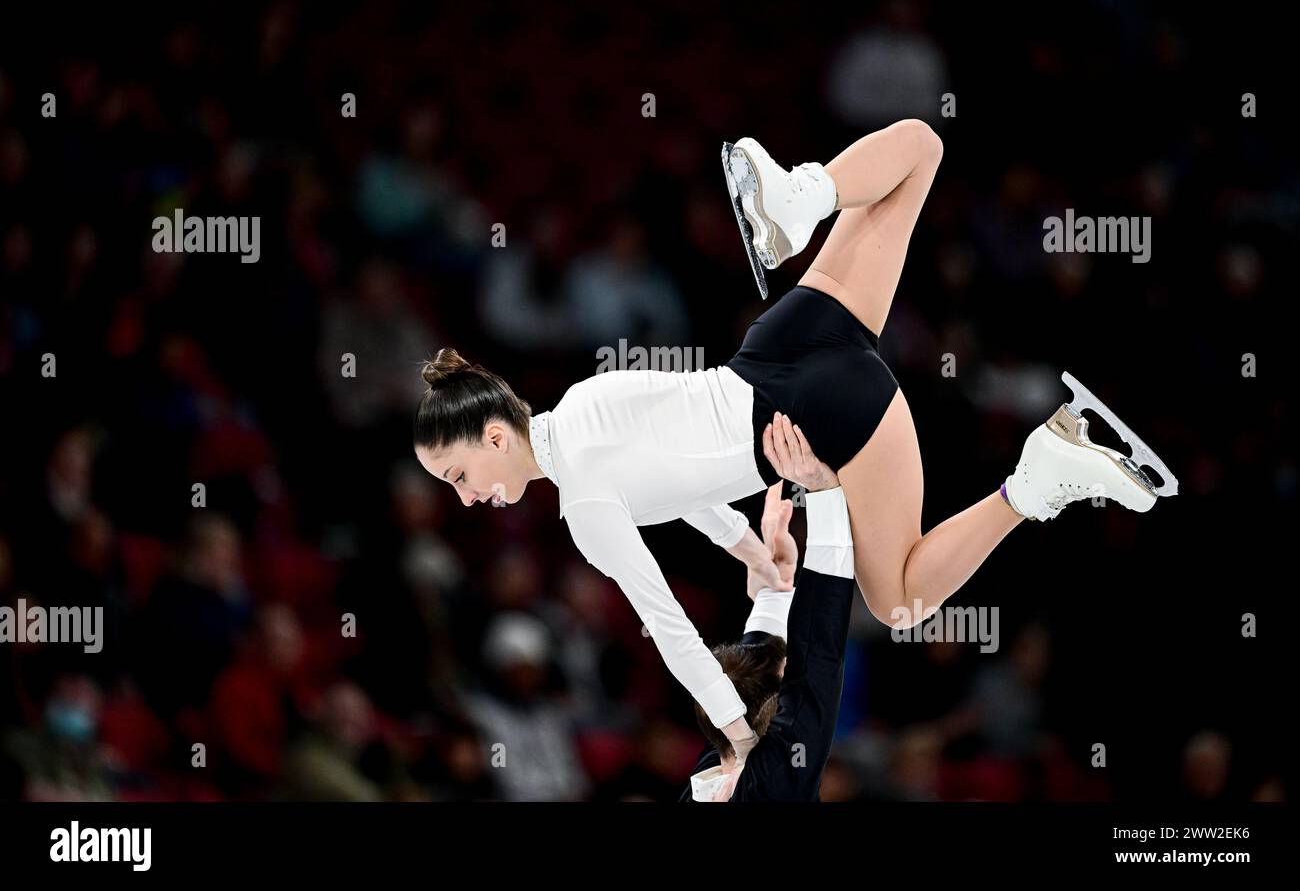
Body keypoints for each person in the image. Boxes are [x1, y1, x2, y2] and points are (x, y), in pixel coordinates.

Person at [412, 119, 1178, 764]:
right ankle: (801, 196)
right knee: (918, 150)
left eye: (456, 474)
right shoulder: (580, 404)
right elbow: (673, 478)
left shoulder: (582, 507)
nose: (465, 495)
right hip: (782, 345)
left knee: (902, 601)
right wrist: (745, 546)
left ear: (490, 435)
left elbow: (672, 626)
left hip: (812, 412)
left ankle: (1035, 482)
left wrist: (738, 735)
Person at [681, 468, 856, 802]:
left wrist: (826, 490)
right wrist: (825, 492)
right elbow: (818, 650)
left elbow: (815, 656)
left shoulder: (727, 776)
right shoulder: (767, 784)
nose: (794, 669)